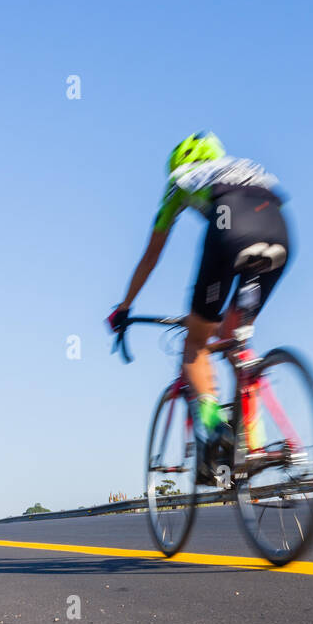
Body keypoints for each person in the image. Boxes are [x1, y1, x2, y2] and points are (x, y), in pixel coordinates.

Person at [107, 132, 290, 481]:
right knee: (234, 336)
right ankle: (256, 444)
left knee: (195, 344)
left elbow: (151, 255)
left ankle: (215, 428)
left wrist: (125, 307)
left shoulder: (180, 180)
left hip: (231, 227)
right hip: (279, 228)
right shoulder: (240, 165)